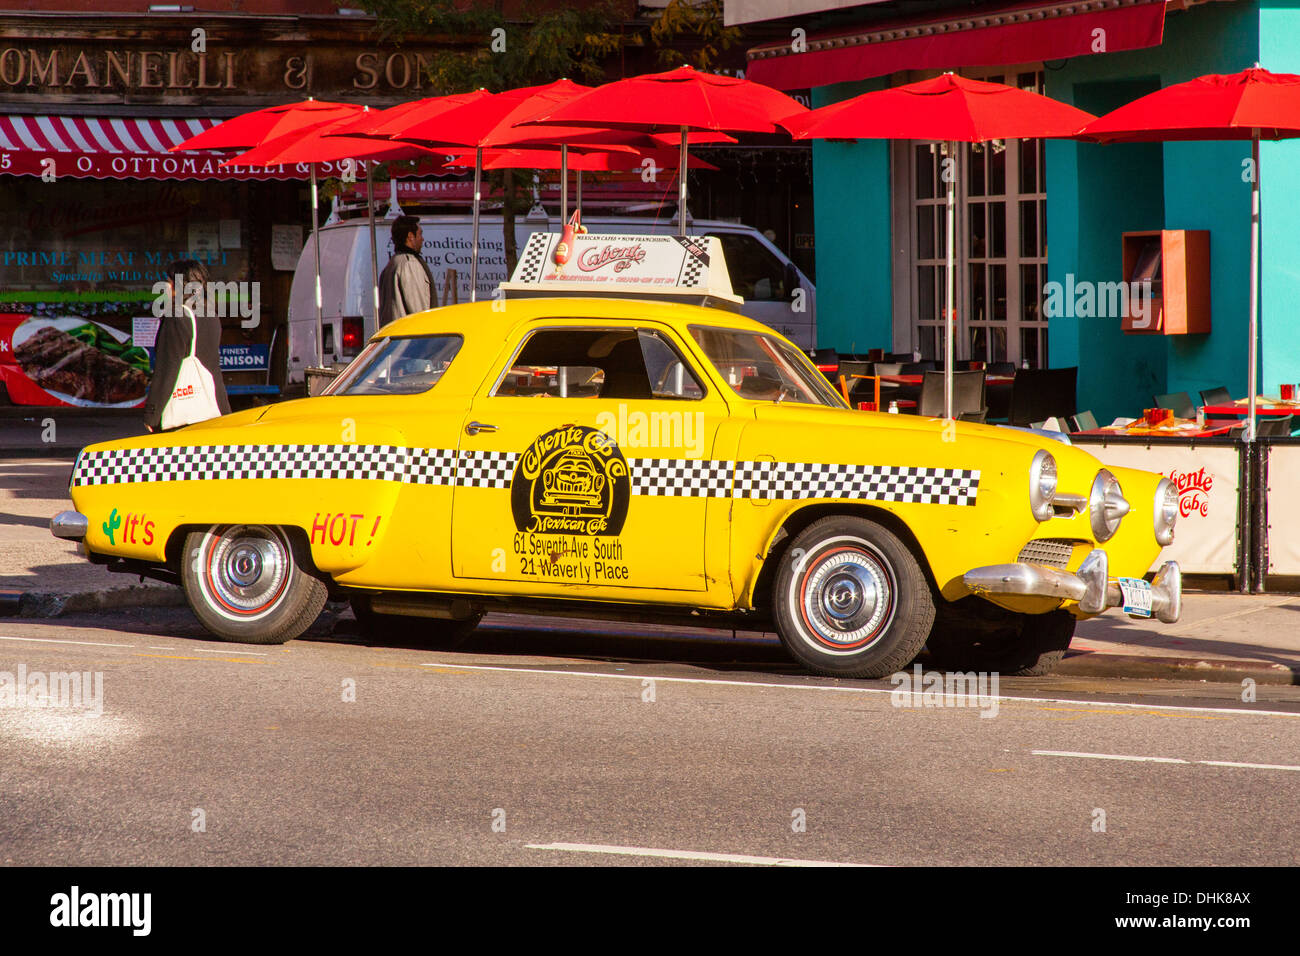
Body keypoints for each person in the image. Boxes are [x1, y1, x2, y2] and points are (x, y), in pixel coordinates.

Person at [142, 259, 231, 432]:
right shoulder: (210, 314)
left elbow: (167, 370)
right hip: (212, 406)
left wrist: (151, 414)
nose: (165, 287)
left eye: (168, 282)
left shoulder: (177, 316)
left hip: (181, 415)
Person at [378, 215, 436, 326]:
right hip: (410, 338)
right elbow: (419, 311)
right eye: (420, 234)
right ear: (410, 236)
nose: (422, 238)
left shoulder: (392, 264)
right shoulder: (409, 264)